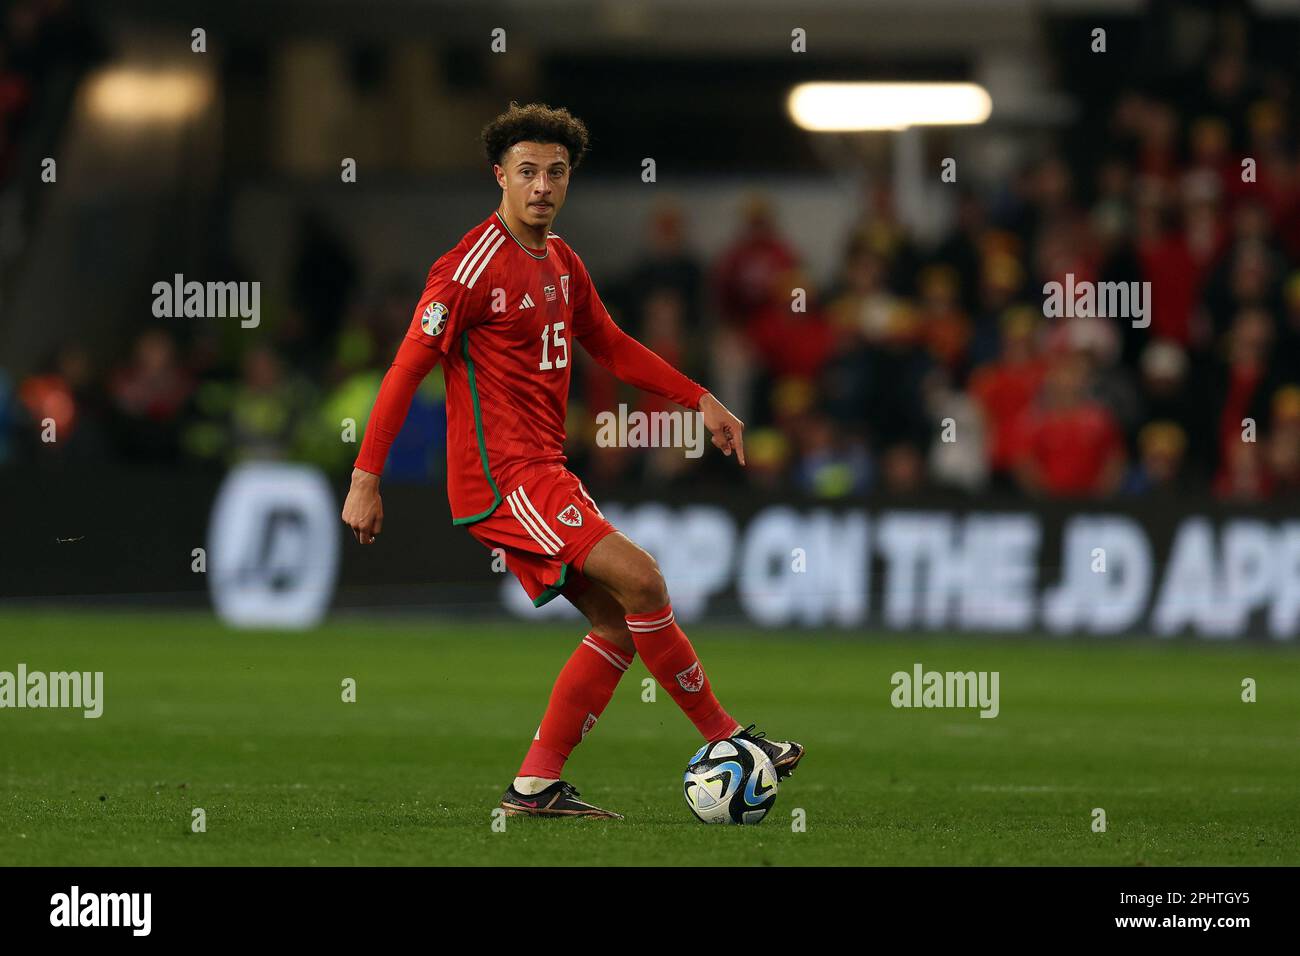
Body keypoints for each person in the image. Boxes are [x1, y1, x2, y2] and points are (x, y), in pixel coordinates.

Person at [341, 102, 804, 819]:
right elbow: (406, 368)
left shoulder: (562, 261)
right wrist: (366, 478)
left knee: (619, 622)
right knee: (644, 579)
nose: (541, 187)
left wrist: (700, 397)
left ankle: (534, 786)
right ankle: (732, 739)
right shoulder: (469, 267)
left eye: (556, 173)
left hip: (545, 470)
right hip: (504, 477)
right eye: (526, 172)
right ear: (500, 175)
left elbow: (612, 345)